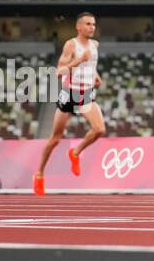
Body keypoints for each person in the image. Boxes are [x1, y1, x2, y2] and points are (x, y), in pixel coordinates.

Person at [34, 13, 106, 195]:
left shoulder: (95, 45)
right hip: (69, 94)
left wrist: (96, 76)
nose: (92, 27)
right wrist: (79, 60)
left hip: (86, 94)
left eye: (94, 24)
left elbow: (92, 64)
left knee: (99, 130)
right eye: (88, 24)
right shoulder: (71, 45)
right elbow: (59, 72)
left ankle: (75, 152)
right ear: (79, 27)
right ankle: (39, 173)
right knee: (55, 138)